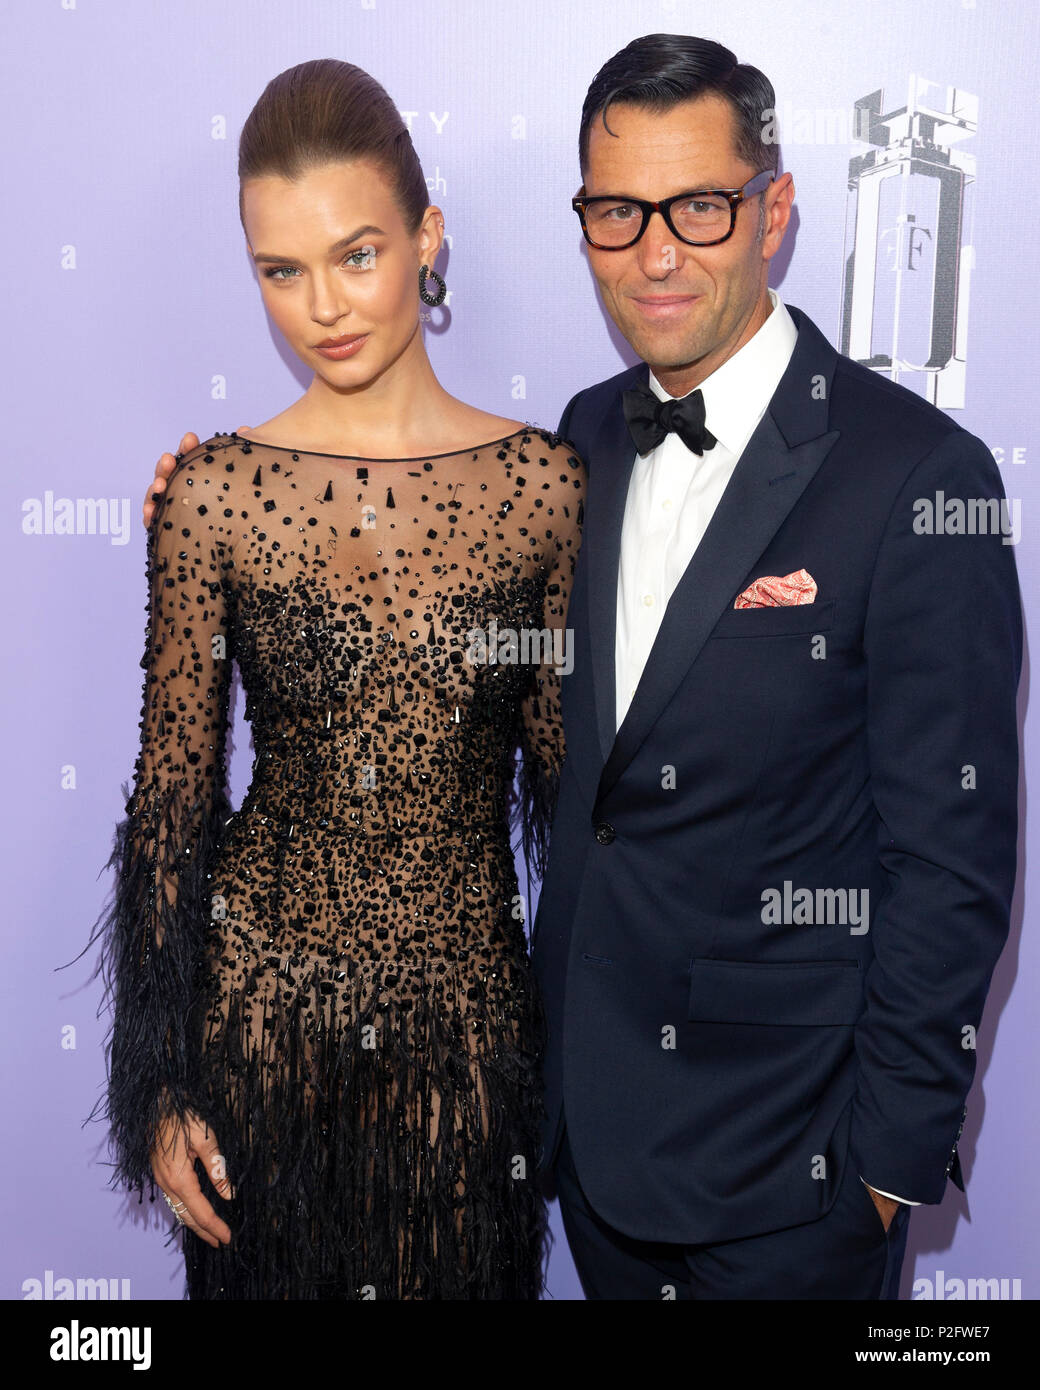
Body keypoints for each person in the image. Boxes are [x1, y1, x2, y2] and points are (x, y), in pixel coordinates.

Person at [142, 35, 1022, 1302]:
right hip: (578, 1146)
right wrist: (210, 509)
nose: (656, 251)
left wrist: (887, 1160)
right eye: (618, 212)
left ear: (771, 212)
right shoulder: (576, 450)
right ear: (586, 227)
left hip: (792, 1175)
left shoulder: (918, 479)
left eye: (698, 207)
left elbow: (951, 857)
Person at [90, 57, 585, 1300]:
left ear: (425, 238)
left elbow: (578, 803)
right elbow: (171, 801)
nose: (323, 304)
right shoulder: (208, 494)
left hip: (466, 1047)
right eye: (281, 269)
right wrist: (155, 1081)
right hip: (261, 1037)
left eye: (355, 254)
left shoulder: (545, 490)